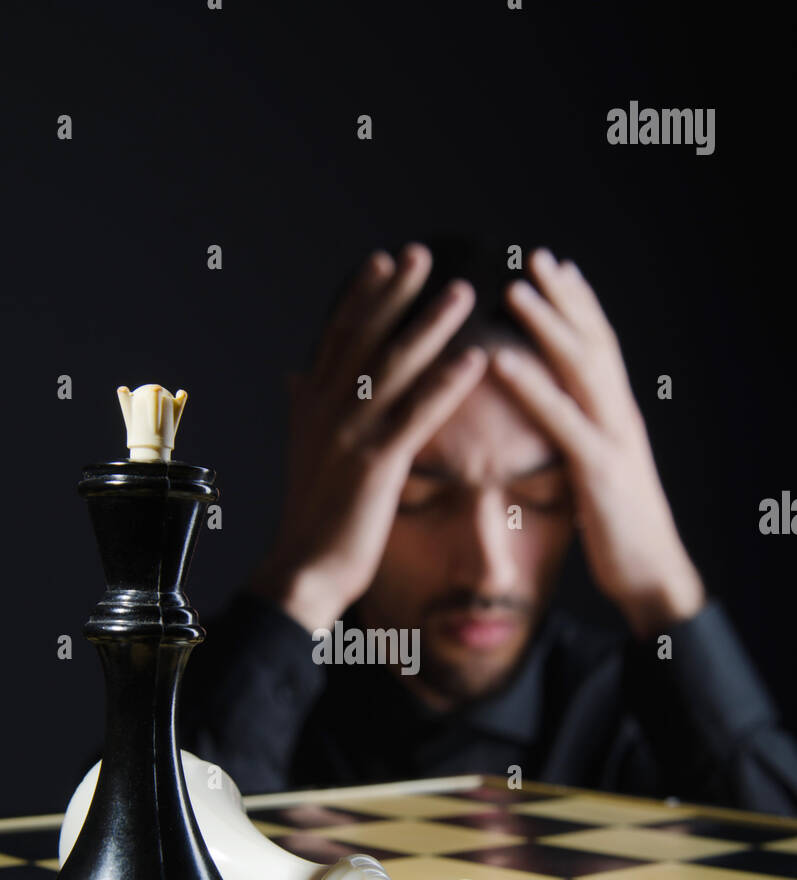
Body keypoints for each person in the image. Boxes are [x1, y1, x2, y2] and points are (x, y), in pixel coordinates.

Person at [181, 238, 797, 814]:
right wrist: (301, 583)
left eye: (540, 495)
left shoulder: (633, 718)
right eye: (422, 497)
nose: (489, 567)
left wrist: (662, 587)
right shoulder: (253, 697)